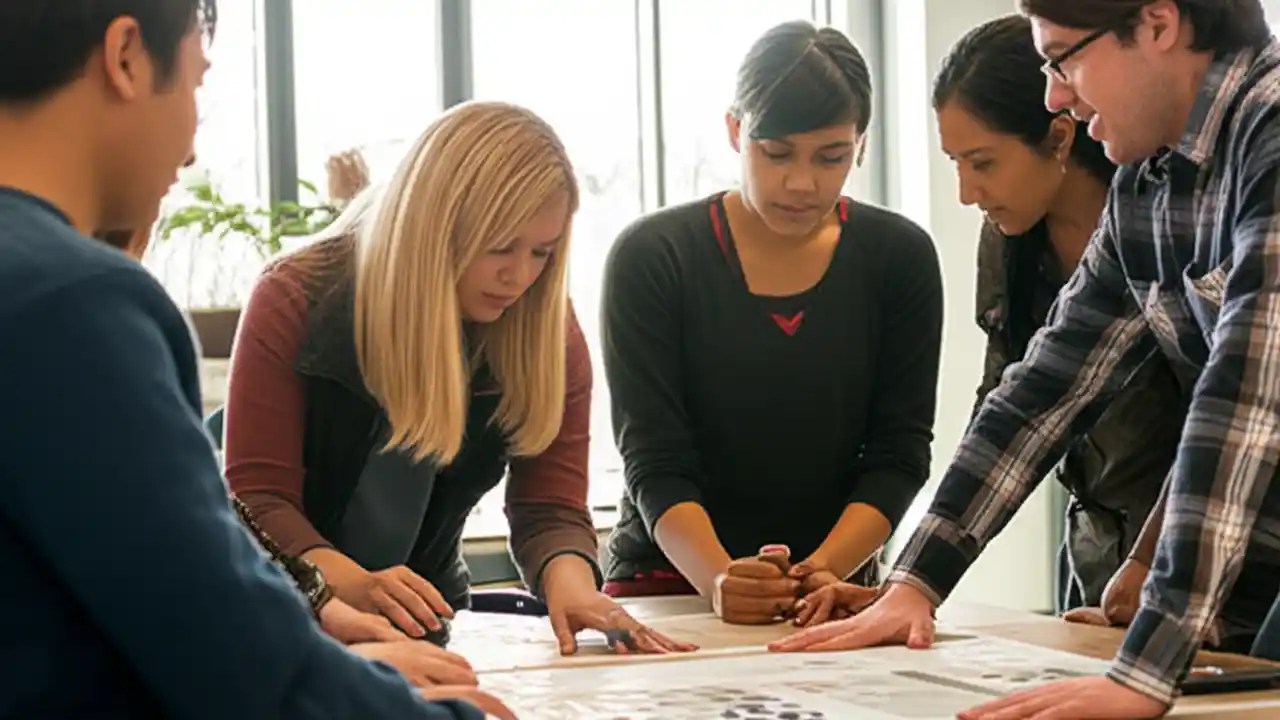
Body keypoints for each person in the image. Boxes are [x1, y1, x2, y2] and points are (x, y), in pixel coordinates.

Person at [0, 1, 509, 717]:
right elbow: (239, 671)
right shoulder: (75, 301)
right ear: (125, 57)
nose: (191, 152)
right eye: (197, 83)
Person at [772, 1, 1280, 717]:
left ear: (1159, 25)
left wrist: (1146, 671)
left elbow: (1245, 402)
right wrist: (915, 584)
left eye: (1064, 56)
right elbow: (1043, 389)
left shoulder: (1273, 135)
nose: (1055, 95)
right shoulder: (1148, 181)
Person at [223, 99, 694, 657]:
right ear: (434, 226)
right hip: (279, 615)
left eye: (541, 252)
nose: (518, 277)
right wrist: (353, 583)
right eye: (499, 247)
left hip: (427, 619)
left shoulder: (544, 329)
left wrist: (573, 587)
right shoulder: (294, 297)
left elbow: (549, 506)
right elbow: (259, 499)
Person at [601, 19, 943, 626]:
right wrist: (719, 580)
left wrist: (825, 569)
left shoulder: (899, 258)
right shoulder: (654, 257)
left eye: (832, 156)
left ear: (861, 143)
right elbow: (653, 458)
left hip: (829, 593)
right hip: (668, 588)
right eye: (776, 152)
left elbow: (899, 452)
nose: (801, 182)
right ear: (737, 131)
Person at [97, 212, 484, 690]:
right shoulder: (92, 305)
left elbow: (193, 555)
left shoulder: (108, 305)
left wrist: (319, 608)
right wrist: (333, 666)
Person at [934, 15, 1190, 621]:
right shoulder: (1009, 239)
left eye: (983, 163)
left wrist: (1152, 560)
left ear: (1057, 137)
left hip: (1207, 550)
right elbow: (1014, 398)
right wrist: (917, 581)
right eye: (955, 164)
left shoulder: (1164, 213)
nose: (966, 191)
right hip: (1097, 555)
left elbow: (1227, 413)